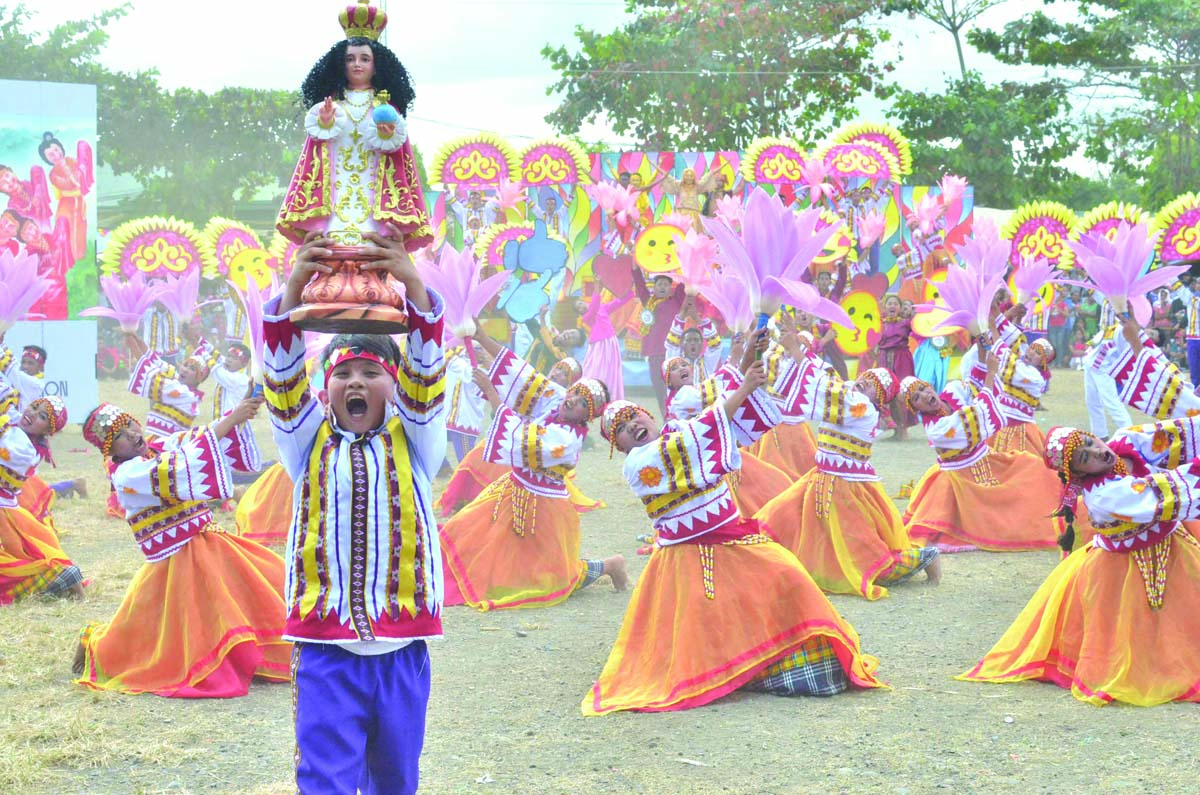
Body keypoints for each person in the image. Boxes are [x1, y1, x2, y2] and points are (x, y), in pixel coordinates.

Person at [583, 357, 883, 715]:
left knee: (789, 576)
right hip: (688, 557)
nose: (631, 425)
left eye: (633, 416)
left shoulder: (681, 429)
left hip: (733, 539)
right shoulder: (639, 464)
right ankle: (750, 669)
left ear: (649, 415)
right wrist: (743, 388)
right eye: (619, 428)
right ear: (618, 446)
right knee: (710, 625)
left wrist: (747, 365)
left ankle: (796, 660)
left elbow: (726, 428)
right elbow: (701, 434)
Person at [264, 228, 445, 793]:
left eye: (370, 373)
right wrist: (295, 286)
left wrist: (413, 284)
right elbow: (282, 382)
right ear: (326, 390)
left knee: (396, 779)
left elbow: (427, 379)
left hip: (402, 649)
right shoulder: (306, 441)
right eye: (342, 374)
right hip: (325, 650)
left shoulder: (417, 441)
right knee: (325, 780)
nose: (355, 382)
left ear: (394, 385)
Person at [959, 420, 1200, 705]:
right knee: (1138, 627)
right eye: (1086, 458)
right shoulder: (1104, 496)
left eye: (1090, 442)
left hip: (1173, 545)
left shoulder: (1123, 444)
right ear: (1080, 473)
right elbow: (1160, 493)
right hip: (1125, 569)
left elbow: (1174, 436)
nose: (1097, 451)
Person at [75, 398, 288, 697]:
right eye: (120, 436)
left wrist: (237, 414)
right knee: (194, 624)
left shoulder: (156, 447)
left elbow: (196, 438)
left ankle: (249, 652)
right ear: (111, 451)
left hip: (208, 544)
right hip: (175, 562)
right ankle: (97, 646)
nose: (133, 434)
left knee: (261, 585)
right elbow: (181, 464)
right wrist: (231, 420)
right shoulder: (127, 475)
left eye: (130, 424)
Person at [755, 333, 940, 599]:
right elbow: (825, 378)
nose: (863, 383)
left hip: (846, 487)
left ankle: (926, 557)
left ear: (877, 399)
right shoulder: (851, 395)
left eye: (871, 385)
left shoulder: (862, 408)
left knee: (859, 546)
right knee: (784, 519)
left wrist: (797, 352)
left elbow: (827, 389)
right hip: (822, 478)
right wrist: (786, 349)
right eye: (865, 378)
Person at [439, 352, 625, 610]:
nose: (573, 400)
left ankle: (610, 565)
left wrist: (491, 391)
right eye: (574, 392)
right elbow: (526, 380)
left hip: (543, 511)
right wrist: (481, 339)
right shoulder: (556, 404)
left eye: (583, 402)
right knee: (467, 538)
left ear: (587, 416)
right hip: (511, 492)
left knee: (549, 578)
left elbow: (522, 436)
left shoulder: (567, 439)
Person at [276, 0, 431, 251]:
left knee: (370, 204)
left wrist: (387, 135)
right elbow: (318, 147)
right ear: (341, 64)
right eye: (350, 59)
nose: (357, 64)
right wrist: (325, 122)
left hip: (373, 175)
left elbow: (396, 149)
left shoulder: (385, 105)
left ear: (376, 66)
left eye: (364, 59)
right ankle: (333, 227)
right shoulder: (332, 103)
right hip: (338, 177)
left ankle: (373, 230)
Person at [900, 360, 1065, 552]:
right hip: (965, 479)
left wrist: (983, 351)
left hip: (990, 460)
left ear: (929, 386)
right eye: (916, 398)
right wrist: (990, 375)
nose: (924, 395)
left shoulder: (953, 390)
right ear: (916, 409)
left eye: (923, 388)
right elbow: (975, 415)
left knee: (1032, 465)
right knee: (1004, 515)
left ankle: (1069, 496)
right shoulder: (937, 430)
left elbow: (974, 384)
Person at [0, 392, 84, 604]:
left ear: (47, 430)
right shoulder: (17, 430)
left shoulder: (23, 449)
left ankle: (59, 580)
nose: (32, 413)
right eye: (35, 406)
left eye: (42, 416)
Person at [632, 273, 686, 415]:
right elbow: (640, 284)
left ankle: (680, 418)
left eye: (666, 284)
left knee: (678, 389)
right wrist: (635, 266)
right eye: (660, 284)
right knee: (660, 391)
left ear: (670, 288)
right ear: (654, 288)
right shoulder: (649, 303)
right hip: (655, 354)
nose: (662, 287)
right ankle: (666, 419)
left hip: (674, 353)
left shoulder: (677, 300)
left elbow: (683, 281)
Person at [580, 284, 635, 401]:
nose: (581, 306)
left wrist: (630, 291)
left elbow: (617, 303)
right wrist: (596, 288)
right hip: (599, 345)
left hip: (610, 342)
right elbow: (594, 307)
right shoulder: (587, 317)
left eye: (581, 303)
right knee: (596, 368)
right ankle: (592, 393)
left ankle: (609, 394)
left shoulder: (602, 308)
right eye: (578, 308)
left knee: (611, 370)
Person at [875, 294, 917, 440]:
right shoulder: (880, 324)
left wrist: (913, 314)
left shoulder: (906, 323)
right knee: (887, 394)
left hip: (901, 359)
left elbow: (920, 327)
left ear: (900, 308)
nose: (892, 306)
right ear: (885, 307)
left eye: (895, 304)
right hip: (884, 358)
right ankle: (895, 429)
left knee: (901, 393)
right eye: (889, 303)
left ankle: (903, 429)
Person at [663, 295, 722, 383]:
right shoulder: (675, 361)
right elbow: (672, 344)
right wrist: (683, 313)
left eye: (696, 340)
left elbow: (716, 346)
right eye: (688, 340)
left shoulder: (707, 363)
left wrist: (698, 319)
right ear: (682, 344)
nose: (693, 343)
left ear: (702, 344)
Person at [210, 341, 252, 420]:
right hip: (225, 422)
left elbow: (216, 370)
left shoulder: (238, 379)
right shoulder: (232, 371)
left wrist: (200, 351)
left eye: (234, 358)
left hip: (231, 424)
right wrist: (200, 340)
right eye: (228, 356)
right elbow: (220, 358)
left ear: (244, 364)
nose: (229, 360)